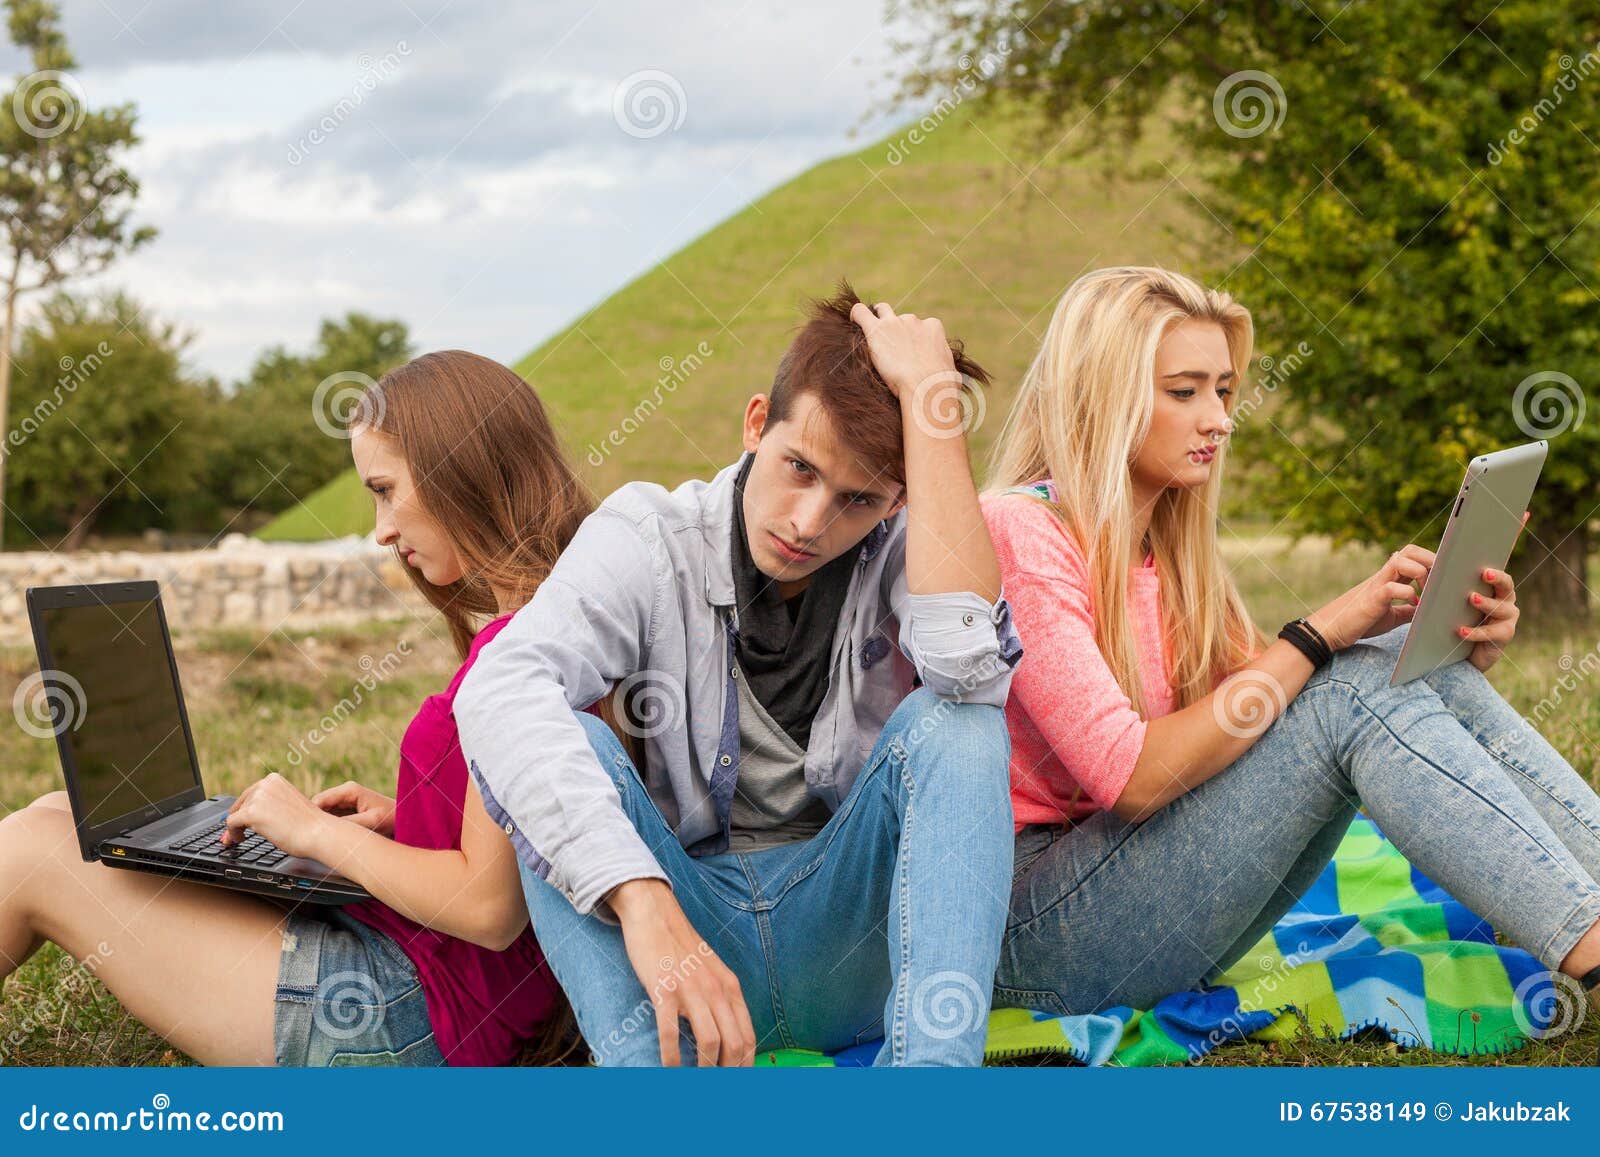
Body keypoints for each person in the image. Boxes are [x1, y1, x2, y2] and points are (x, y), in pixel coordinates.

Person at [980, 265, 1600, 1041]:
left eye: (1225, 390)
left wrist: (1448, 644)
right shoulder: (1019, 530)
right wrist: (1317, 631)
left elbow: (1274, 706)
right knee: (1343, 685)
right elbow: (1133, 777)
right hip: (1033, 932)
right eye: (1185, 392)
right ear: (1099, 396)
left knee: (1384, 659)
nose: (1219, 419)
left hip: (1129, 888)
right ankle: (1591, 945)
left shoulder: (1162, 547)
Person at [455, 284, 1022, 1066]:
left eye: (858, 499)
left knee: (960, 723)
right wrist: (640, 894)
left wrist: (932, 405)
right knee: (568, 738)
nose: (809, 521)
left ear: (897, 499)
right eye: (799, 468)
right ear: (756, 423)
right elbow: (499, 687)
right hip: (691, 936)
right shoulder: (649, 532)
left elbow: (967, 670)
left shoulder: (905, 548)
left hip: (850, 934)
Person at [0, 350, 585, 1066]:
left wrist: (314, 832)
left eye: (385, 488)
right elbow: (535, 835)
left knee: (33, 855)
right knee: (59, 814)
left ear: (455, 471)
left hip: (409, 1019)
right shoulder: (553, 620)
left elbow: (491, 912)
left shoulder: (517, 650)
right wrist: (416, 817)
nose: (379, 529)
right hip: (422, 979)